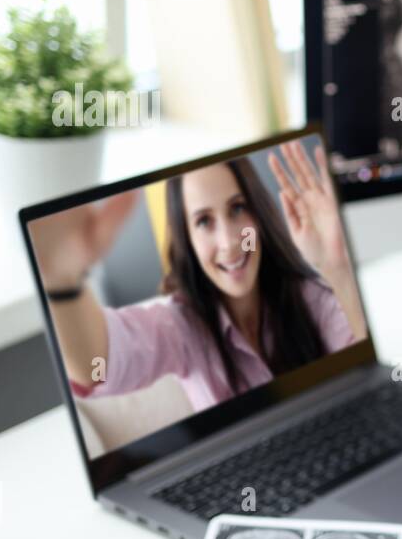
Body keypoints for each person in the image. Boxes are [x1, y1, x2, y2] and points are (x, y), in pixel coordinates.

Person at [31, 140, 367, 414]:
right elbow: (96, 370)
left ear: (258, 213)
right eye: (204, 221)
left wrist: (337, 268)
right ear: (187, 240)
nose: (229, 242)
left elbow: (366, 382)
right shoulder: (180, 327)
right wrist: (63, 282)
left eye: (237, 208)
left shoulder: (309, 296)